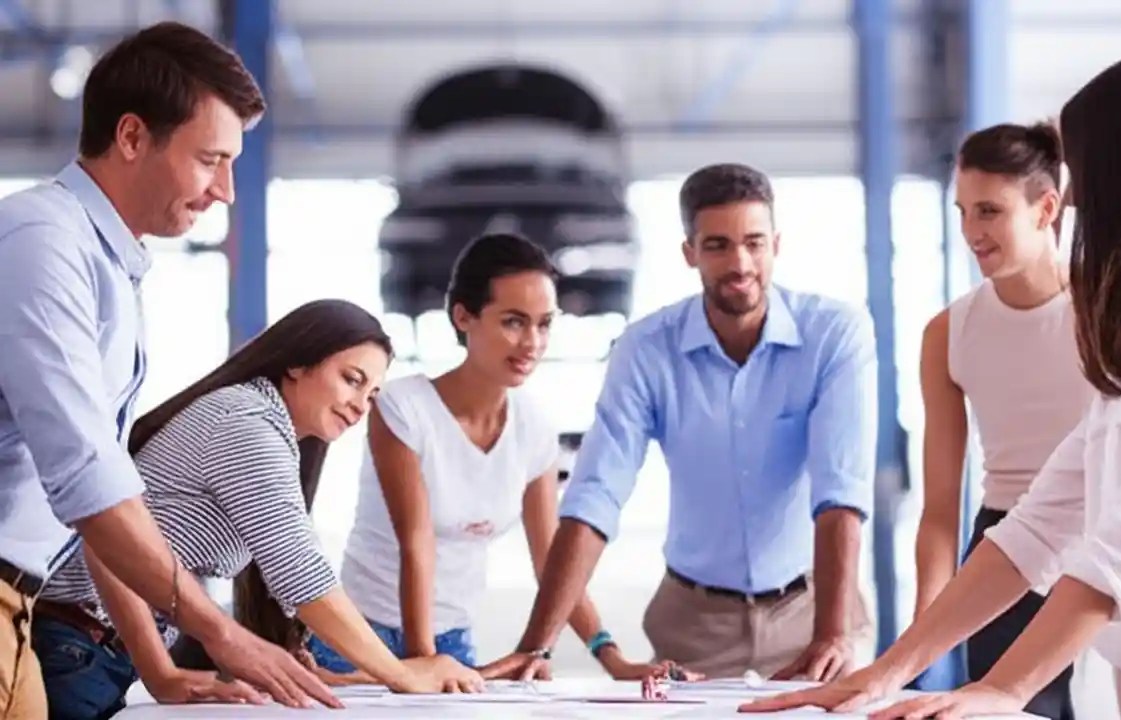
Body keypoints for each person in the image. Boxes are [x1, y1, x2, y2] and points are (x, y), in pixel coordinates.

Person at [742, 53, 1121, 719]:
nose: (1078, 200)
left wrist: (1007, 687)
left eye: (1084, 174)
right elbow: (1043, 519)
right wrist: (888, 672)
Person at [0, 21, 338, 717]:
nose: (227, 192)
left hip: (21, 601)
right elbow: (88, 481)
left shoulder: (108, 267)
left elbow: (96, 507)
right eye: (211, 159)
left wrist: (157, 667)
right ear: (131, 138)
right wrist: (219, 632)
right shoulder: (44, 244)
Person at [492, 163, 878, 682]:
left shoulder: (835, 333)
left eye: (754, 243)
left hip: (814, 608)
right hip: (695, 625)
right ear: (690, 253)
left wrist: (831, 634)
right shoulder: (647, 348)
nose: (740, 263)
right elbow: (596, 497)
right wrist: (536, 646)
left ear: (776, 245)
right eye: (718, 245)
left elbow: (839, 491)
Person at [33, 300, 483, 719]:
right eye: (352, 379)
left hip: (92, 648)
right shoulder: (246, 423)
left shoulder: (271, 434)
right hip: (72, 643)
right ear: (297, 363)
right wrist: (403, 674)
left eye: (372, 394)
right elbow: (300, 572)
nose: (361, 406)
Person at [311, 233, 673, 682]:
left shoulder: (534, 426)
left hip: (456, 639)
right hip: (358, 639)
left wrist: (611, 657)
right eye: (514, 322)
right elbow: (416, 542)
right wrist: (424, 666)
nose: (532, 343)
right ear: (464, 316)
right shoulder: (402, 406)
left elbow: (551, 560)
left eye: (544, 324)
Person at [912, 122, 1088, 719]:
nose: (971, 232)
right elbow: (939, 513)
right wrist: (919, 643)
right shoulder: (948, 334)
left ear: (1046, 208)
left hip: (1102, 548)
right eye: (962, 211)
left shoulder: (1109, 313)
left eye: (989, 211)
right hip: (1001, 560)